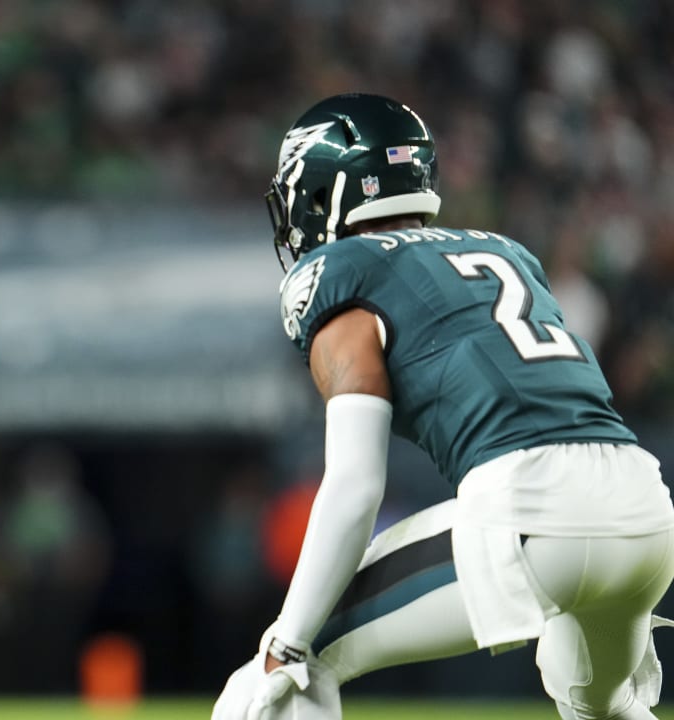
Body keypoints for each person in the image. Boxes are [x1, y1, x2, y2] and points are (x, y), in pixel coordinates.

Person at [212, 93, 674, 720]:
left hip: (537, 508)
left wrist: (285, 642)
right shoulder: (508, 253)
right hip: (645, 512)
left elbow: (353, 488)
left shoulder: (340, 275)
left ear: (323, 193)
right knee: (599, 699)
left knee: (293, 660)